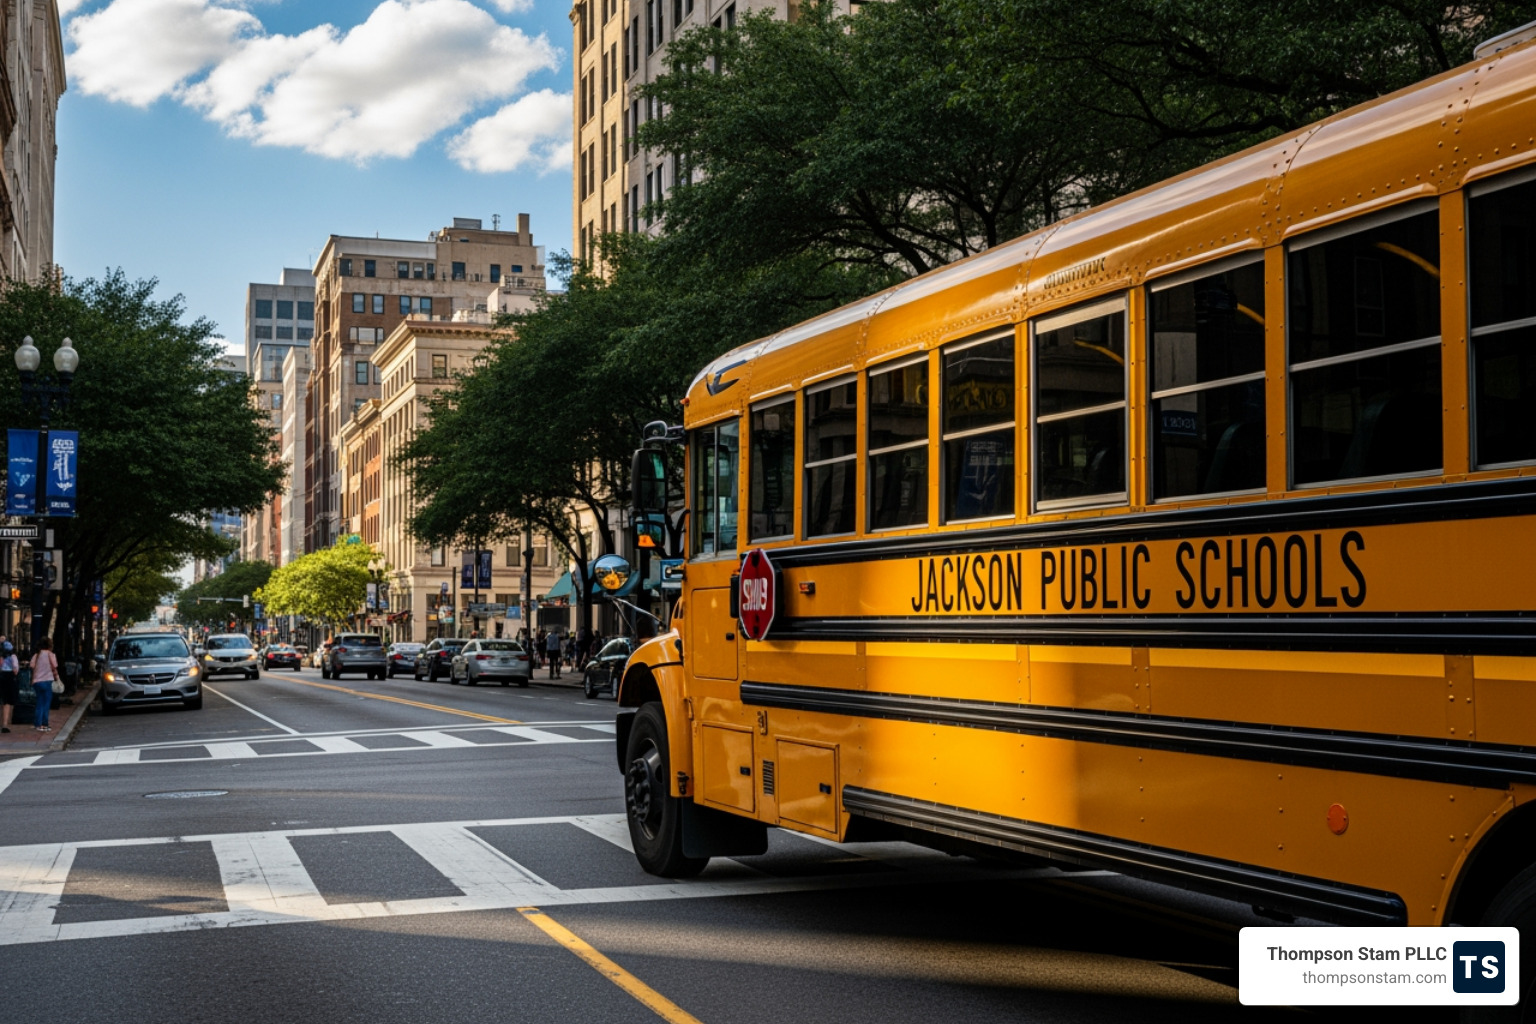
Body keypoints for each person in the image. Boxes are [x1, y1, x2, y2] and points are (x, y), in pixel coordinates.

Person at [29, 637, 58, 734]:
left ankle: (38, 723)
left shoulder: (36, 655)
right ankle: (45, 723)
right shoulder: (51, 655)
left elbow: (32, 666)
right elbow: (54, 666)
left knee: (39, 702)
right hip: (47, 680)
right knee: (46, 703)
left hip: (37, 681)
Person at [0, 637, 17, 734]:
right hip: (9, 677)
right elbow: (16, 670)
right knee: (6, 702)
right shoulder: (12, 657)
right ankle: (5, 724)